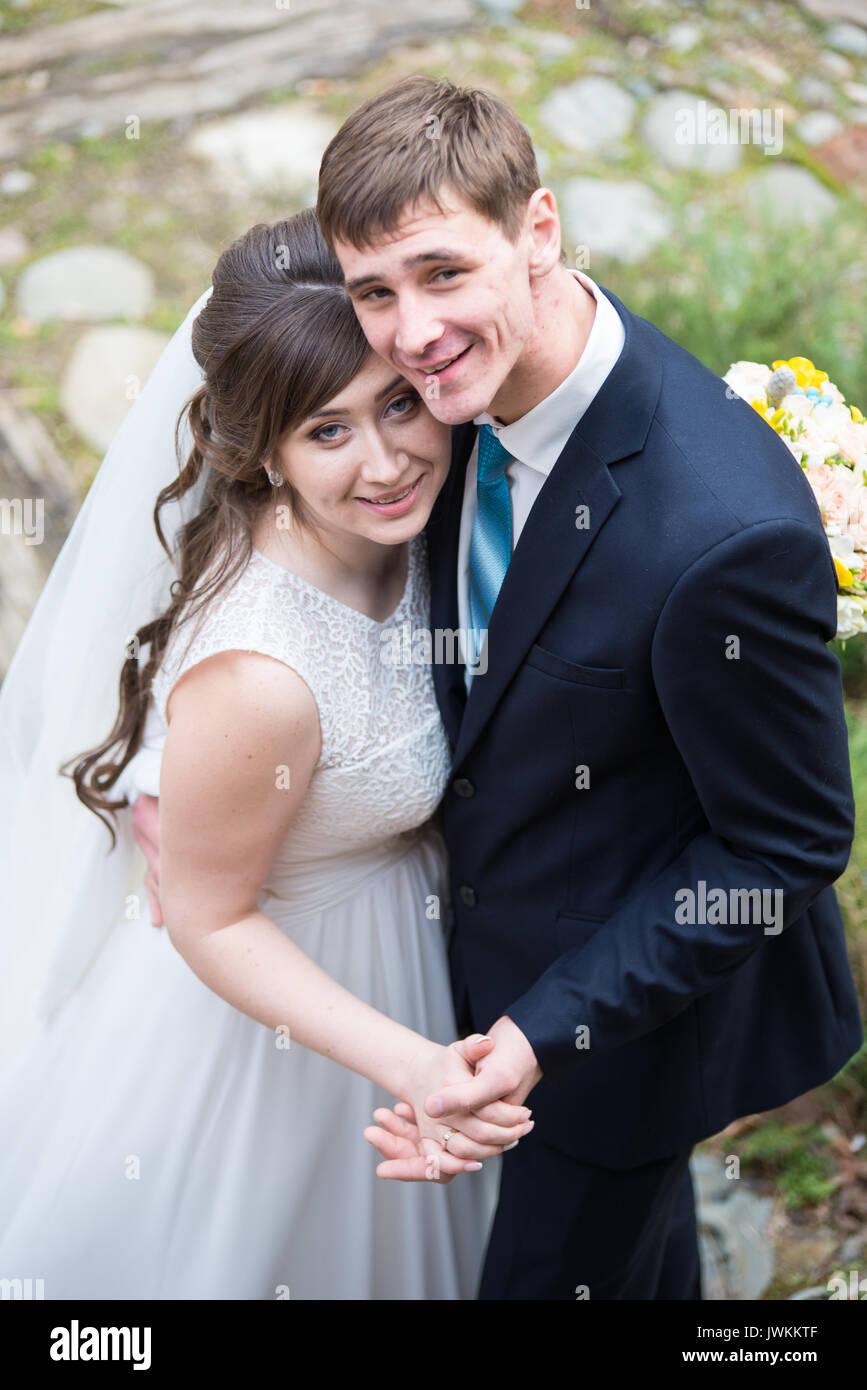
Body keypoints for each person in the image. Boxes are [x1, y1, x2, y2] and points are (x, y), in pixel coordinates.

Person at [134, 77, 863, 1301]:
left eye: (441, 274)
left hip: (597, 1045)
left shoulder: (718, 528)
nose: (411, 336)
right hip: (405, 983)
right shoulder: (434, 413)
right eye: (377, 291)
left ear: (540, 232)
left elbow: (785, 843)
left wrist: (538, 1035)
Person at [0, 209, 531, 1301]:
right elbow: (206, 912)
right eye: (325, 432)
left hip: (407, 942)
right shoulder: (261, 676)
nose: (386, 462)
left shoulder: (424, 515)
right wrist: (412, 1064)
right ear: (264, 452)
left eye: (396, 404)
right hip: (285, 1016)